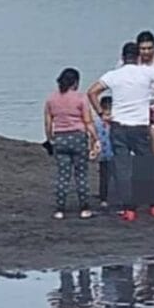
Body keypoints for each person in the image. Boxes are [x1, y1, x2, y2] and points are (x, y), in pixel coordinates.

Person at [87, 33, 154, 222]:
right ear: (138, 56)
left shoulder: (113, 75)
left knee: (123, 168)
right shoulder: (145, 72)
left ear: (122, 58)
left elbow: (91, 92)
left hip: (119, 127)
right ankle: (153, 204)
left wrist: (101, 113)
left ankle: (129, 208)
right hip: (139, 127)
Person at [45, 68, 100, 219]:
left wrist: (50, 139)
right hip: (78, 137)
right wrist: (95, 138)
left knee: (63, 175)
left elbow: (48, 122)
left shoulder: (51, 99)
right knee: (81, 174)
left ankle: (60, 209)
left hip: (60, 138)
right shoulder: (81, 98)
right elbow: (88, 121)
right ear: (75, 82)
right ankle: (84, 209)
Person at [96, 96, 115, 208]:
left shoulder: (98, 121)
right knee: (105, 176)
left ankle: (105, 198)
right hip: (106, 152)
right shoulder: (99, 121)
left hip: (110, 152)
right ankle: (104, 197)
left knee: (107, 176)